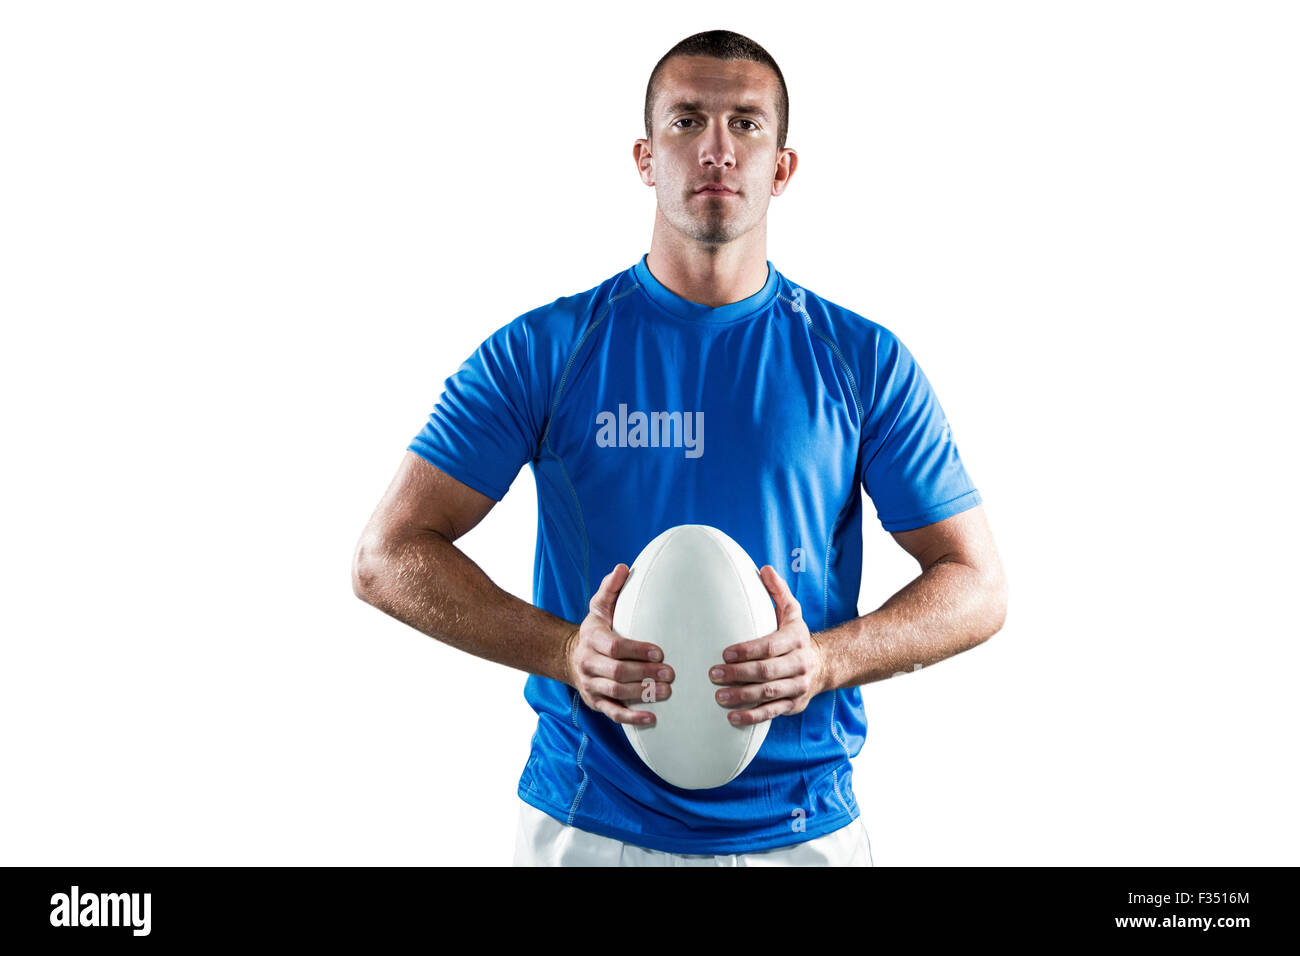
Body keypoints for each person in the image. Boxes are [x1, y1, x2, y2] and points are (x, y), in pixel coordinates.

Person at [351, 29, 1008, 867]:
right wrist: (564, 652)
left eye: (746, 125)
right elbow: (387, 555)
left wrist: (827, 661)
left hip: (804, 829)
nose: (716, 150)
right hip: (591, 825)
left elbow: (978, 585)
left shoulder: (861, 360)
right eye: (687, 121)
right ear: (643, 155)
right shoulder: (546, 350)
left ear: (782, 166)